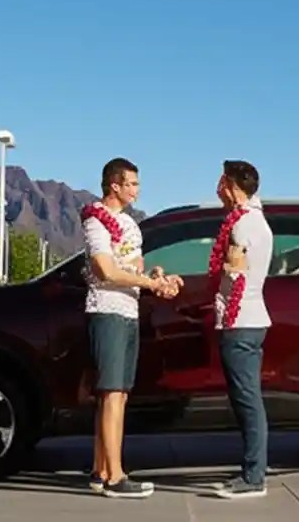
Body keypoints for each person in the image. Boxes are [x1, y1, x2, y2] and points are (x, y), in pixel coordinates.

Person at [81, 157, 182, 499]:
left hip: (129, 310)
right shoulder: (96, 221)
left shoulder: (131, 225)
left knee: (119, 393)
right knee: (110, 392)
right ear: (115, 185)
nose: (137, 190)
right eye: (133, 184)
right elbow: (106, 271)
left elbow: (136, 269)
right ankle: (115, 477)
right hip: (107, 310)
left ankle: (101, 469)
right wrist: (149, 284)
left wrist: (157, 279)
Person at [209, 159, 274, 499]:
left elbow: (237, 269)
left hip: (241, 322)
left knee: (248, 399)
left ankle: (253, 478)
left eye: (220, 182)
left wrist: (226, 263)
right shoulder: (254, 221)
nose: (217, 188)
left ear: (232, 186)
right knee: (247, 398)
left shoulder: (243, 226)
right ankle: (252, 472)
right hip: (248, 320)